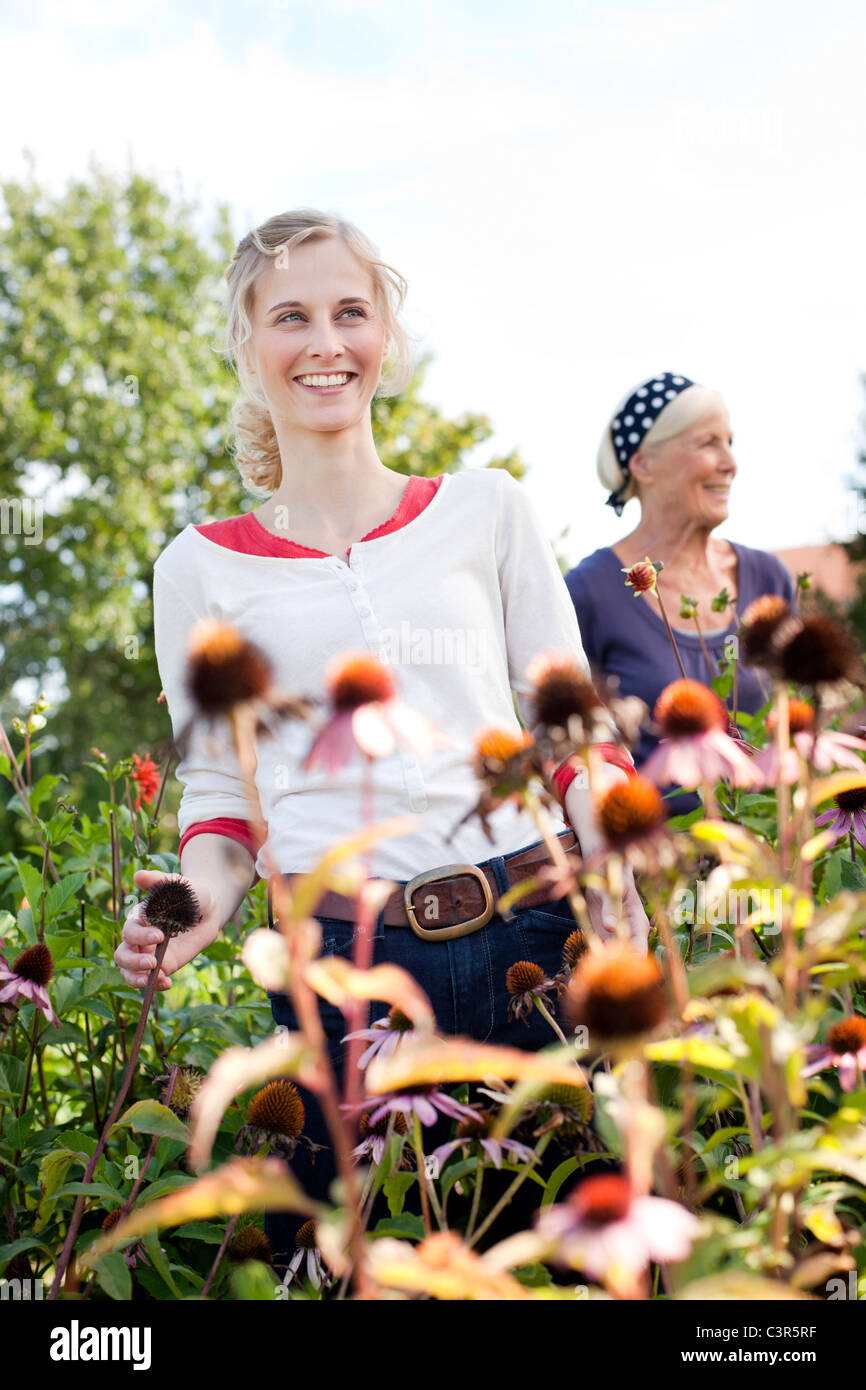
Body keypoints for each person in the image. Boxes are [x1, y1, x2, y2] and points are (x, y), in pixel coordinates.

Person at [114, 210, 649, 1269]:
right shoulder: (199, 568)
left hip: (529, 939)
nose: (325, 342)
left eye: (350, 312)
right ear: (246, 346)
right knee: (353, 1272)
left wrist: (612, 858)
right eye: (291, 316)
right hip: (337, 967)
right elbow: (222, 795)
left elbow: (566, 720)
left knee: (549, 1266)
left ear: (386, 339)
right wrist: (194, 912)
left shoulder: (484, 511)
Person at [564, 373, 796, 815]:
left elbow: (801, 728)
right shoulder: (586, 592)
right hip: (660, 866)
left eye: (730, 441)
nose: (730, 462)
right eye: (708, 442)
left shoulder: (770, 579)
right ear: (644, 465)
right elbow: (576, 755)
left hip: (775, 860)